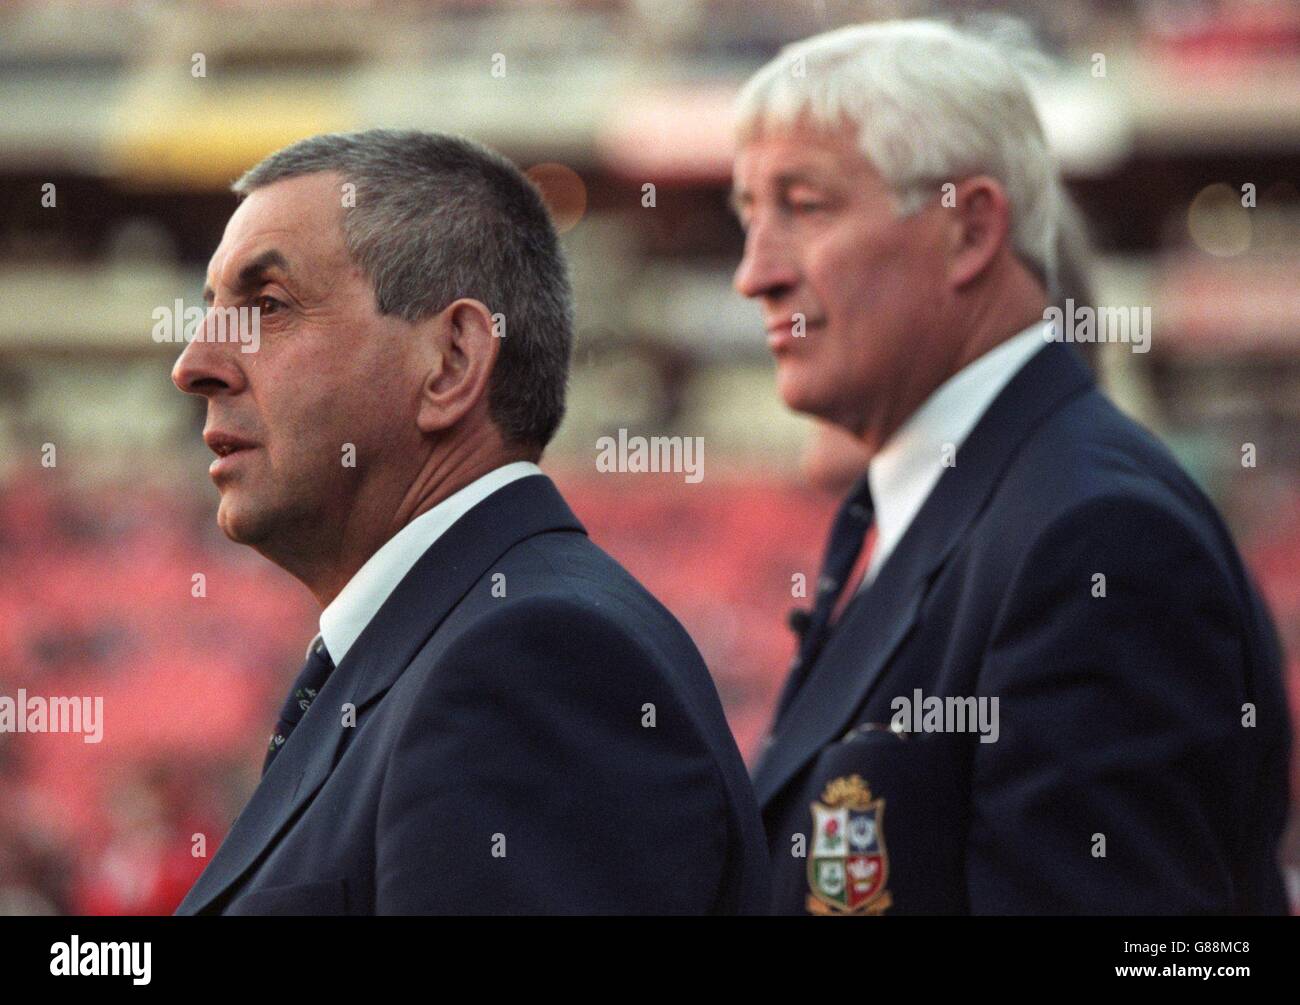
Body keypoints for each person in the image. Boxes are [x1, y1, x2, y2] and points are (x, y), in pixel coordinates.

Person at [731, 20, 1291, 914]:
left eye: (803, 206)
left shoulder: (1095, 535)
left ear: (970, 230)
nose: (753, 274)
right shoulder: (959, 504)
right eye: (748, 216)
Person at [170, 129, 769, 914]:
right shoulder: (443, 651)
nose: (192, 364)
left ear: (451, 361)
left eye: (268, 306)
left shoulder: (531, 661)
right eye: (211, 310)